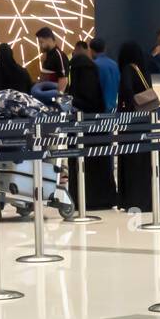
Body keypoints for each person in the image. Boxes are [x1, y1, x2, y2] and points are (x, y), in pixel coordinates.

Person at [116, 42, 160, 213]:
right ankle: (150, 199)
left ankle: (134, 200)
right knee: (147, 162)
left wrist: (126, 108)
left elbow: (127, 90)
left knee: (133, 162)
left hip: (131, 123)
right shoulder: (143, 69)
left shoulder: (128, 69)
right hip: (146, 122)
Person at [66, 51, 117, 209]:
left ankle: (81, 198)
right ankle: (102, 198)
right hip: (98, 129)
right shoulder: (95, 81)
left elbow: (81, 101)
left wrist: (70, 101)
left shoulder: (78, 85)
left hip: (82, 129)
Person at [32, 27, 70, 107]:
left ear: (49, 39)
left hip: (54, 99)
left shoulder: (59, 55)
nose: (40, 45)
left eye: (41, 42)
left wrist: (59, 101)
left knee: (34, 91)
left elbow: (63, 79)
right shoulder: (49, 55)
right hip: (46, 97)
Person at [91, 38, 120, 112]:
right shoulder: (114, 64)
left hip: (98, 110)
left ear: (92, 50)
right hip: (113, 108)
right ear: (104, 49)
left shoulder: (93, 65)